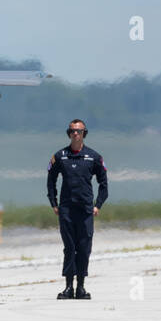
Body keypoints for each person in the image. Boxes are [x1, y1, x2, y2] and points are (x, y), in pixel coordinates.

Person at [46, 118, 108, 300]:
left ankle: (81, 287)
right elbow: (51, 180)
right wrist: (54, 204)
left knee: (83, 247)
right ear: (69, 133)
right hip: (66, 209)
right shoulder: (60, 156)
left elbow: (103, 183)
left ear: (84, 134)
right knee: (69, 247)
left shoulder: (93, 157)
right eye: (72, 131)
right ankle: (68, 288)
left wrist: (98, 205)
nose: (75, 134)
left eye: (79, 131)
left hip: (86, 210)